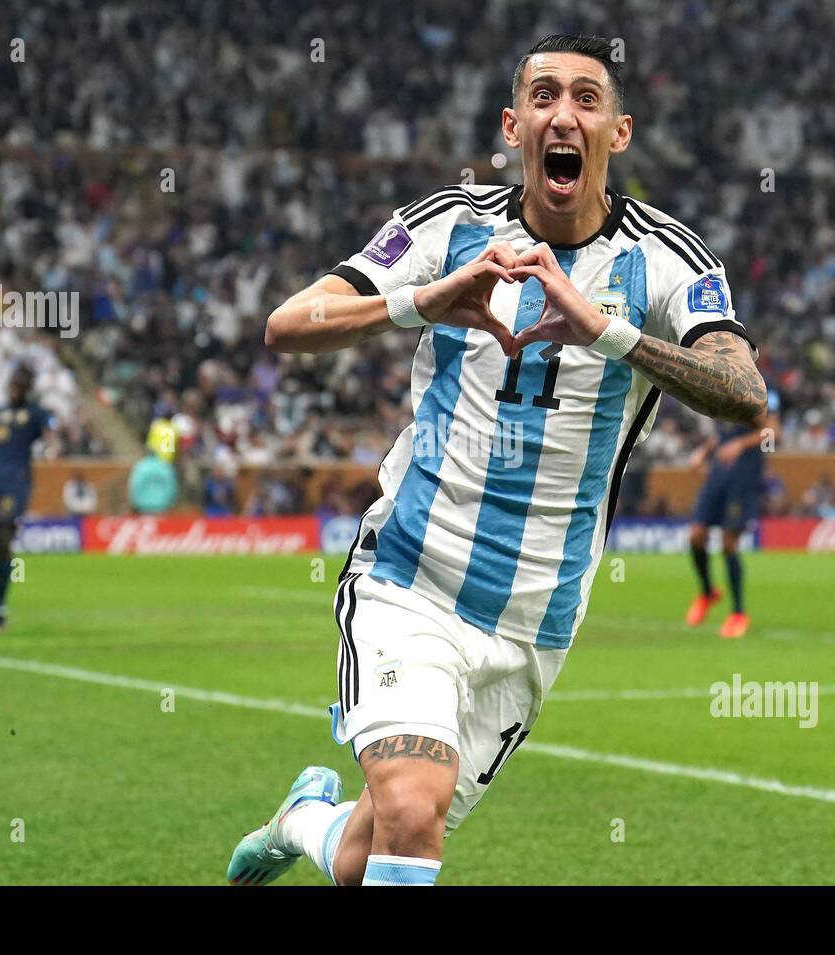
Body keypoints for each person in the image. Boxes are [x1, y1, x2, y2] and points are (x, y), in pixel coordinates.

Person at [228, 34, 766, 888]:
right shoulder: (447, 225)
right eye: (545, 96)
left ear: (618, 133)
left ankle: (302, 820)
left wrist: (609, 332)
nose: (565, 114)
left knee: (374, 849)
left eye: (588, 99)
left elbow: (745, 392)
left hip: (535, 617)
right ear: (514, 127)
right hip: (413, 574)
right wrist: (422, 300)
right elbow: (288, 326)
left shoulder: (667, 260)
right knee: (412, 808)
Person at [684, 388, 780, 638]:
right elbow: (723, 434)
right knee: (695, 535)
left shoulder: (762, 389)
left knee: (728, 542)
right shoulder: (723, 383)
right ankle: (708, 592)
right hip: (719, 472)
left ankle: (738, 613)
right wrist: (703, 452)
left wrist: (740, 444)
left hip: (744, 475)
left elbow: (772, 433)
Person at [0, 364, 58, 634]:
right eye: (12, 385)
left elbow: (51, 433)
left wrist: (51, 445)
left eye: (20, 386)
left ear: (27, 389)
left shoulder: (35, 414)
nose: (14, 390)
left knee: (3, 541)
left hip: (15, 484)